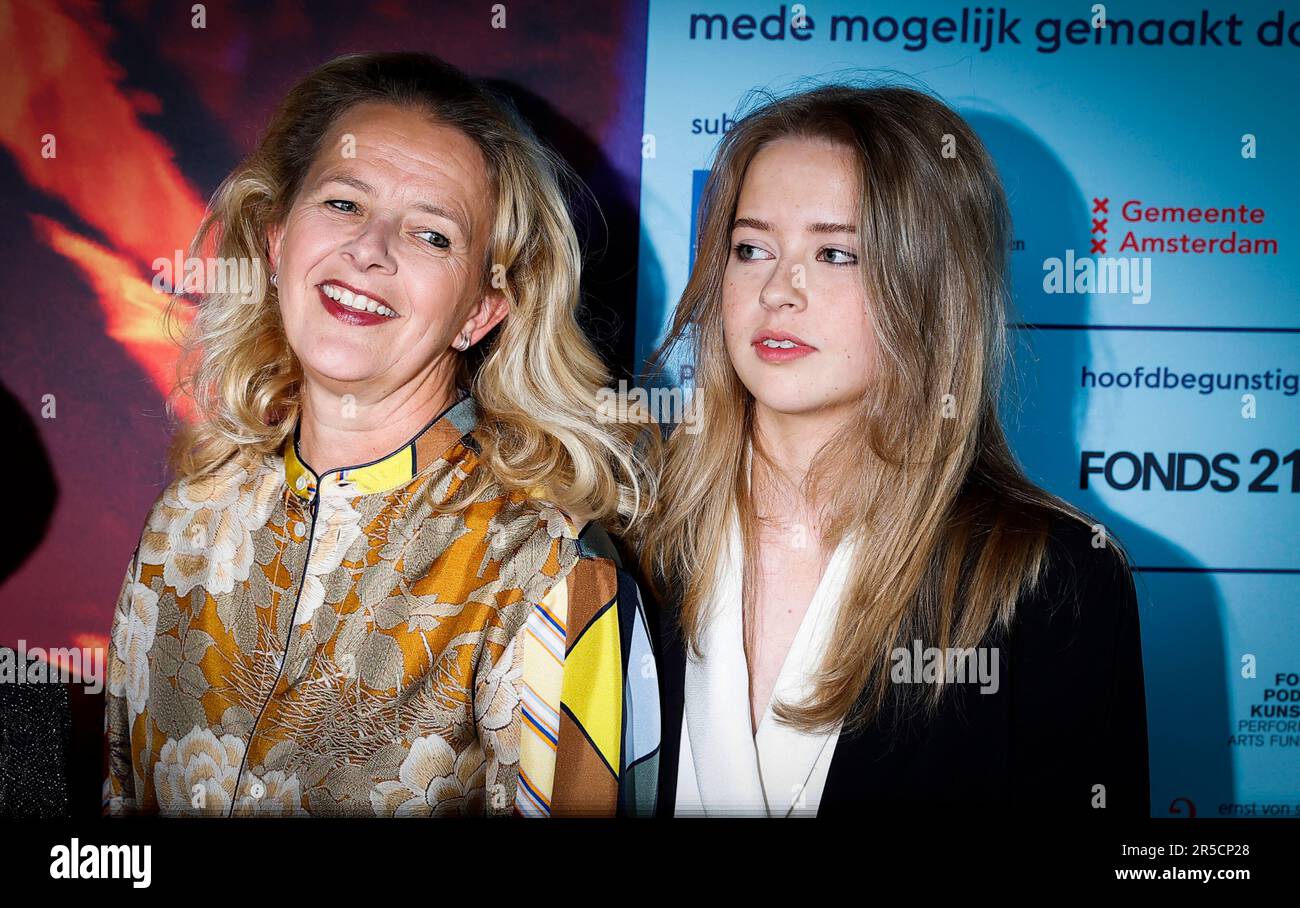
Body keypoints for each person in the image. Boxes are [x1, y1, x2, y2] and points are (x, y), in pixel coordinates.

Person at [103, 52, 660, 817]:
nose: (370, 249)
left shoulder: (548, 573)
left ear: (481, 312)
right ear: (276, 243)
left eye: (433, 235)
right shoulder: (183, 525)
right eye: (342, 203)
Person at [638, 83, 1149, 817]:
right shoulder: (626, 534)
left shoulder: (1048, 578)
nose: (780, 289)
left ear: (932, 291)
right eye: (751, 248)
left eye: (836, 252)